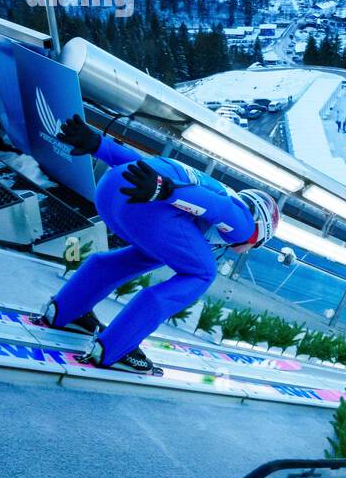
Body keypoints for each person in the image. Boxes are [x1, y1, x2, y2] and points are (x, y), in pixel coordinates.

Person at [41, 115, 280, 373]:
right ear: (258, 232)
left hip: (112, 191)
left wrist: (98, 145)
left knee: (145, 256)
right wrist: (165, 191)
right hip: (151, 205)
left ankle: (66, 310)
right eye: (256, 245)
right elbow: (217, 207)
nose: (245, 250)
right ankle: (116, 348)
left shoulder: (215, 188)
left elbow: (143, 168)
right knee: (203, 272)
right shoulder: (243, 222)